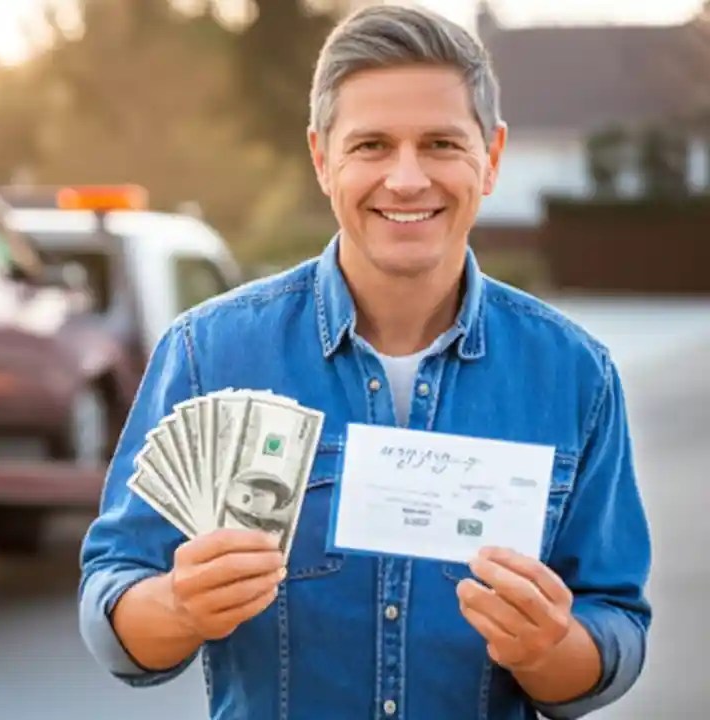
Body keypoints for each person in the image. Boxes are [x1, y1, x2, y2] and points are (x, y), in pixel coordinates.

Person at [77, 4, 652, 719]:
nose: (407, 179)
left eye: (441, 143)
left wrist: (552, 648)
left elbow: (618, 625)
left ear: (492, 157)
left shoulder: (575, 375)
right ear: (323, 158)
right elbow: (111, 606)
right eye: (372, 145)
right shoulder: (208, 352)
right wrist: (177, 606)